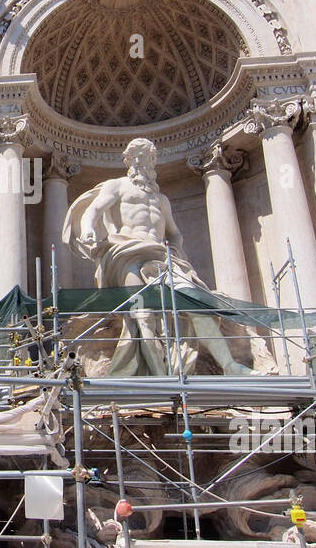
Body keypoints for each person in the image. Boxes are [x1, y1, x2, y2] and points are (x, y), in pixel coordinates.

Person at [63, 138, 252, 375]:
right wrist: (89, 228)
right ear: (129, 161)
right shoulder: (118, 186)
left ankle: (229, 365)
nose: (144, 163)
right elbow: (94, 210)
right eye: (138, 157)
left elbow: (174, 233)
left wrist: (174, 250)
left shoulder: (161, 199)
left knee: (197, 304)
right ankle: (160, 377)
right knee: (143, 316)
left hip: (162, 259)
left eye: (149, 158)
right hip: (127, 255)